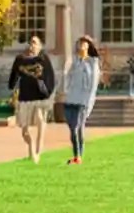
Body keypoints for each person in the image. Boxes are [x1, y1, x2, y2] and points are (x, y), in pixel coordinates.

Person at [8, 35, 57, 164]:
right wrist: (11, 86)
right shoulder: (20, 60)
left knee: (40, 120)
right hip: (25, 98)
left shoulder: (43, 59)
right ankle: (31, 147)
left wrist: (48, 92)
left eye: (35, 43)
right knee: (24, 131)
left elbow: (50, 77)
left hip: (40, 98)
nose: (32, 45)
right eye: (30, 43)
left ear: (40, 46)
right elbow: (13, 77)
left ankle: (38, 152)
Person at [62, 35, 102, 165]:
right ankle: (77, 156)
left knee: (76, 128)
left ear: (88, 46)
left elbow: (93, 85)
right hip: (70, 99)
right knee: (74, 129)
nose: (81, 46)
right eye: (80, 43)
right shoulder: (74, 61)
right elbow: (67, 78)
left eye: (84, 44)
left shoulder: (93, 62)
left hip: (83, 101)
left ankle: (78, 156)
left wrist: (89, 103)